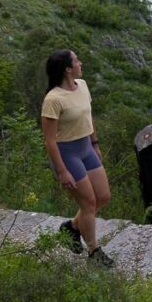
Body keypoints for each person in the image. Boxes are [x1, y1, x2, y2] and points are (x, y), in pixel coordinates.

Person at [41, 49, 114, 267]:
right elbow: (50, 140)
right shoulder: (53, 99)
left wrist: (95, 143)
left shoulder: (82, 85)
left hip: (86, 148)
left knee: (103, 197)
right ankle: (94, 251)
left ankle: (72, 227)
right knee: (89, 203)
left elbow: (88, 116)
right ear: (67, 69)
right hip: (67, 153)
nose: (80, 63)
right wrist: (62, 171)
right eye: (76, 61)